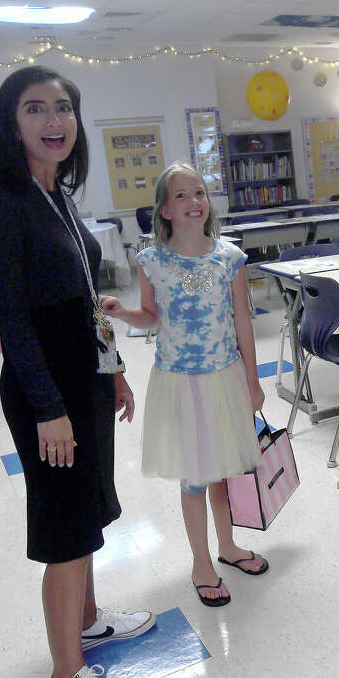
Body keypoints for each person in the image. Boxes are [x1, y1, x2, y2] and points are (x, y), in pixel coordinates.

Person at [0, 66, 153, 678]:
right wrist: (49, 409)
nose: (55, 122)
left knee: (92, 509)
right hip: (46, 391)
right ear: (9, 122)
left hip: (85, 377)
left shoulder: (59, 197)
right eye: (36, 109)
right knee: (66, 532)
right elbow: (12, 322)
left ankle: (91, 619)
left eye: (65, 109)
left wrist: (116, 367)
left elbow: (84, 303)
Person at [101, 162, 268, 609]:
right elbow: (152, 316)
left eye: (199, 193)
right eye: (181, 196)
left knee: (224, 469)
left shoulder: (229, 257)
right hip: (180, 380)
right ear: (164, 210)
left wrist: (253, 381)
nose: (194, 202)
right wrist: (121, 313)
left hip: (225, 376)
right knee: (196, 476)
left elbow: (242, 321)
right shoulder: (152, 260)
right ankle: (201, 563)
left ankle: (228, 546)